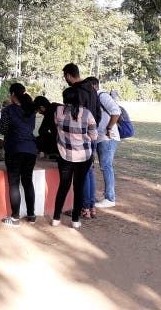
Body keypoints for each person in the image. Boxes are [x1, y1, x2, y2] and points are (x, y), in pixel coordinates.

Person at [52, 63, 98, 229]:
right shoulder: (86, 113)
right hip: (84, 155)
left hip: (65, 155)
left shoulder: (58, 112)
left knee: (63, 187)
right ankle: (76, 220)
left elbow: (57, 127)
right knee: (78, 188)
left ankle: (56, 218)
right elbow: (93, 135)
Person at [0, 83, 38, 226]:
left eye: (10, 93)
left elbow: (2, 130)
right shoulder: (31, 110)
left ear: (13, 94)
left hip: (14, 149)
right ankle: (31, 215)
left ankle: (15, 218)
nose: (9, 96)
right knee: (28, 182)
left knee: (14, 184)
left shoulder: (8, 110)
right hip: (30, 150)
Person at [87, 76, 122, 209]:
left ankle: (110, 198)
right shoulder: (95, 97)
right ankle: (107, 195)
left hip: (108, 137)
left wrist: (108, 128)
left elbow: (116, 111)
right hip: (100, 137)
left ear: (95, 86)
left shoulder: (102, 96)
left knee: (106, 166)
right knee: (103, 166)